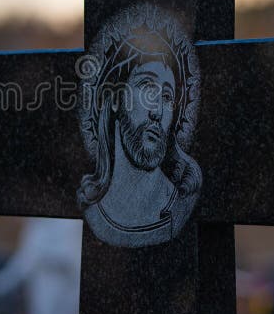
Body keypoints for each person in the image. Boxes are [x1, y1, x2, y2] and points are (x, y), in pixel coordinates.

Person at [78, 20, 202, 247]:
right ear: (115, 99)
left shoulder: (179, 209)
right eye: (147, 88)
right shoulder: (93, 212)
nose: (157, 112)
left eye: (167, 97)